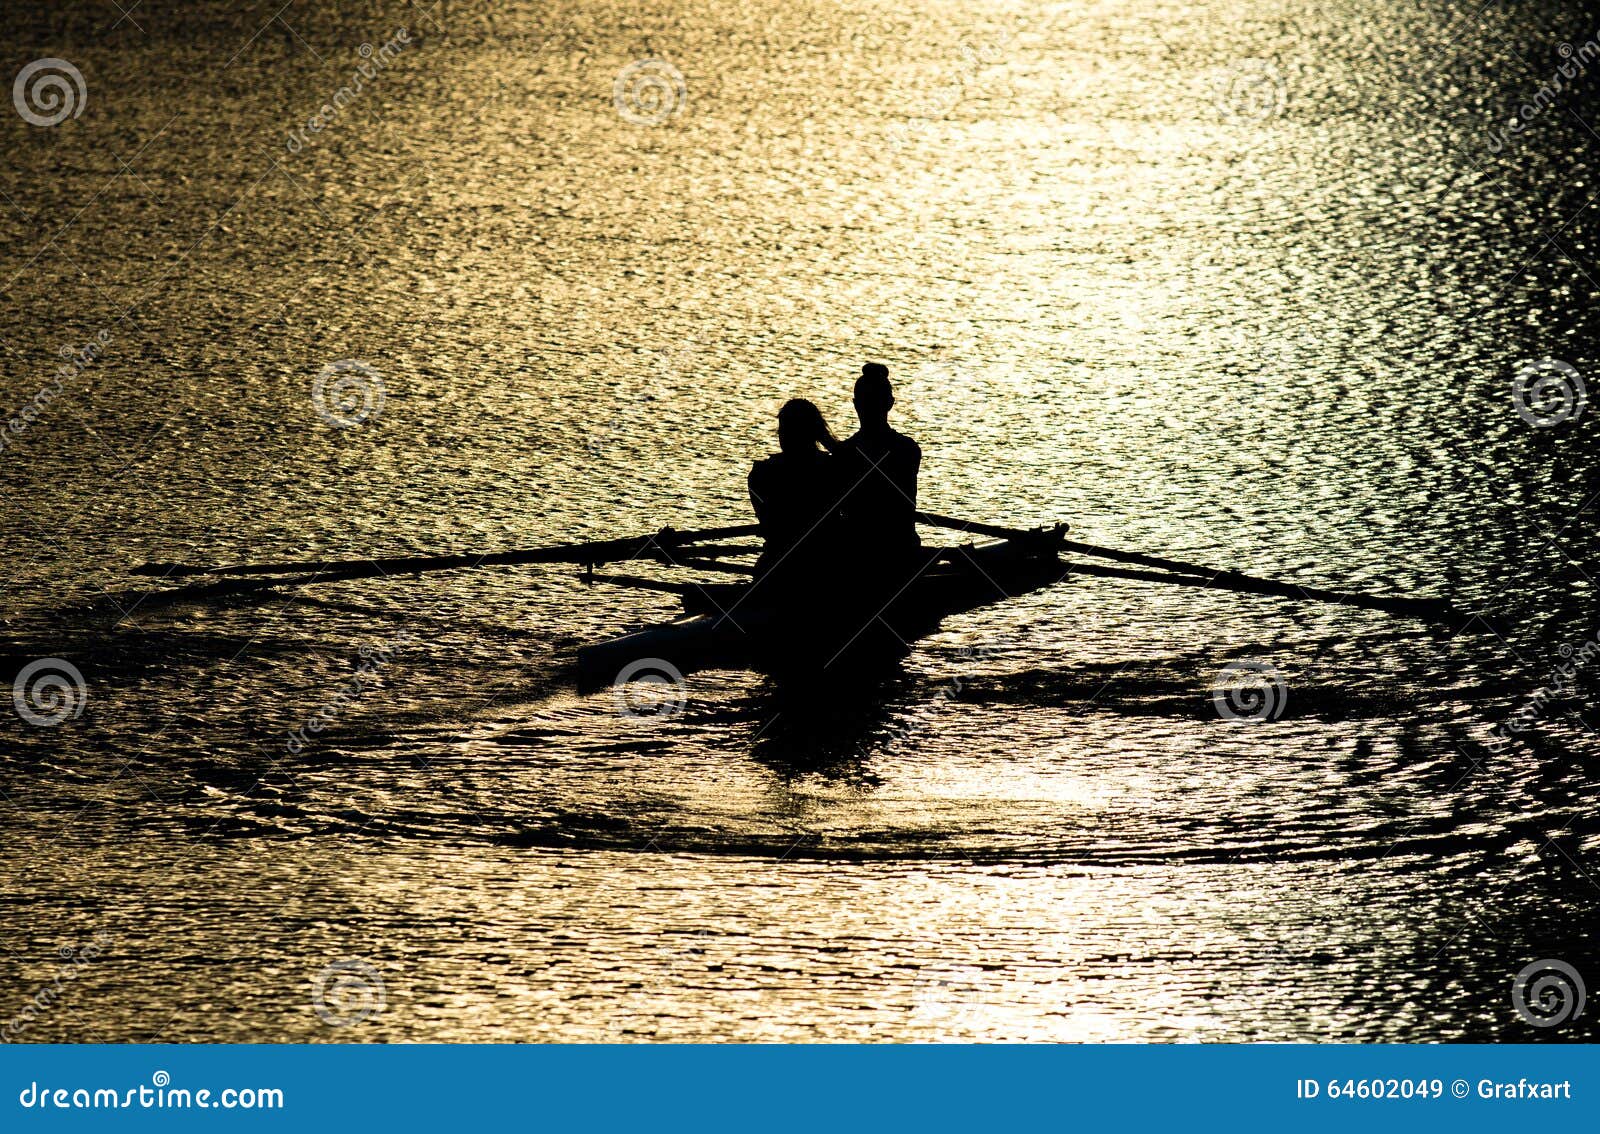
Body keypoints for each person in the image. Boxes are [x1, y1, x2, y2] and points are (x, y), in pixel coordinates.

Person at [747, 398, 841, 588]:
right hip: (826, 566)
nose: (783, 436)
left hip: (782, 567)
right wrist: (828, 441)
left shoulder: (761, 474)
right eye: (783, 431)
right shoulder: (835, 469)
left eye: (789, 431)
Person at [835, 363, 921, 564]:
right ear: (890, 403)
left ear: (855, 404)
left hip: (859, 554)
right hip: (898, 551)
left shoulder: (843, 454)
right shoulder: (908, 449)